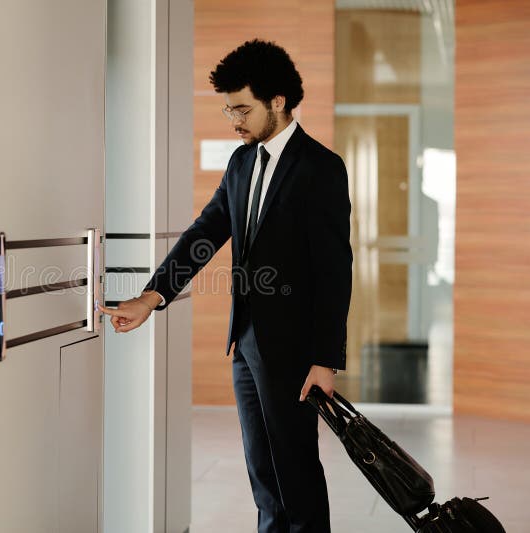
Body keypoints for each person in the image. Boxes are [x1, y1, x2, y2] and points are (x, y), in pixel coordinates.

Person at [99, 38, 352, 533]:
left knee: (296, 473)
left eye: (242, 108)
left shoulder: (321, 169)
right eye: (228, 108)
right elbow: (206, 233)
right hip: (247, 344)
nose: (233, 119)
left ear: (277, 101)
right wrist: (153, 296)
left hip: (296, 352)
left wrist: (326, 360)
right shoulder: (241, 164)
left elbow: (334, 270)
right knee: (263, 476)